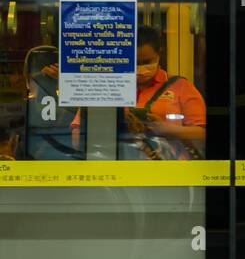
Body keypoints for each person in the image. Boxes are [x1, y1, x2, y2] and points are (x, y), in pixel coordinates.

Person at [68, 25, 207, 160]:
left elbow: (202, 134)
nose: (140, 69)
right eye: (134, 62)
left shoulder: (181, 87)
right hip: (120, 171)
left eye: (147, 61)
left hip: (170, 172)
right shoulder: (107, 86)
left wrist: (169, 131)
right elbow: (78, 135)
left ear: (159, 54)